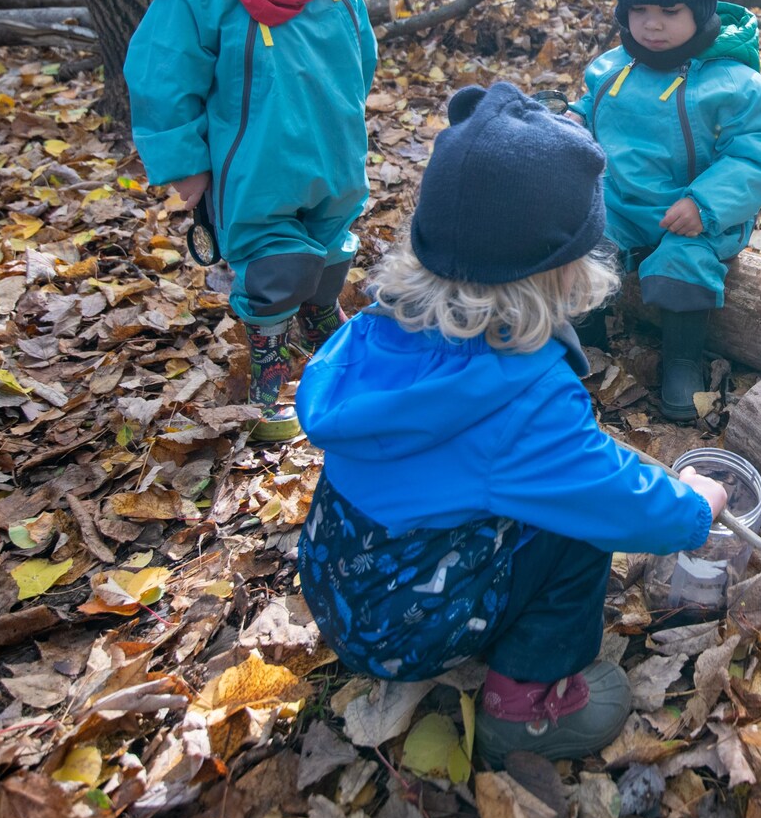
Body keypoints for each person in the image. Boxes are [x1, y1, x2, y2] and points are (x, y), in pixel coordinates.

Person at [295, 82, 727, 768]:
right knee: (575, 530)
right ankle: (525, 709)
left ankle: (473, 621)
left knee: (535, 497)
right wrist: (696, 507)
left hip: (340, 584)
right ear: (562, 271)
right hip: (407, 631)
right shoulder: (523, 398)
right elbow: (611, 501)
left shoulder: (376, 328)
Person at [125, 0, 377, 440]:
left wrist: (349, 117)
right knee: (274, 266)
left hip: (333, 157)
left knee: (331, 248)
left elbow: (361, 60)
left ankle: (319, 316)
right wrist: (185, 165)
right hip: (256, 169)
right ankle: (268, 363)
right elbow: (160, 81)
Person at [572, 0, 761, 421]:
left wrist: (706, 203)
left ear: (700, 6)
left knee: (682, 264)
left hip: (695, 215)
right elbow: (588, 110)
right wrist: (569, 122)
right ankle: (586, 344)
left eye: (670, 11)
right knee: (583, 249)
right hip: (621, 204)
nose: (652, 24)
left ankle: (682, 360)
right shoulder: (611, 69)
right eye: (639, 9)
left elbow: (757, 152)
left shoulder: (732, 83)